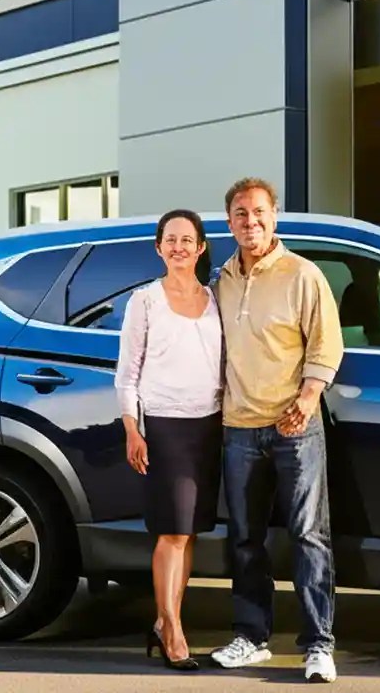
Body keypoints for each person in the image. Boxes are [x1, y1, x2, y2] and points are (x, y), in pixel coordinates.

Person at [208, 177, 344, 683]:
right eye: (241, 213)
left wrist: (307, 401)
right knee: (245, 539)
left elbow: (326, 346)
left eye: (259, 212)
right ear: (230, 223)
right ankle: (251, 637)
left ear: (274, 216)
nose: (251, 221)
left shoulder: (302, 275)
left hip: (294, 427)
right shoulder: (219, 280)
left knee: (309, 537)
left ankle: (318, 645)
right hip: (238, 429)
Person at [114, 209, 223, 672]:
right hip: (163, 424)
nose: (178, 246)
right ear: (158, 248)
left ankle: (168, 619)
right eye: (170, 239)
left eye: (187, 239)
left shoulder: (216, 297)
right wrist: (132, 428)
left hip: (210, 424)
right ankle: (171, 628)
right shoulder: (146, 301)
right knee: (172, 531)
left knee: (190, 530)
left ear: (200, 248)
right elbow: (128, 371)